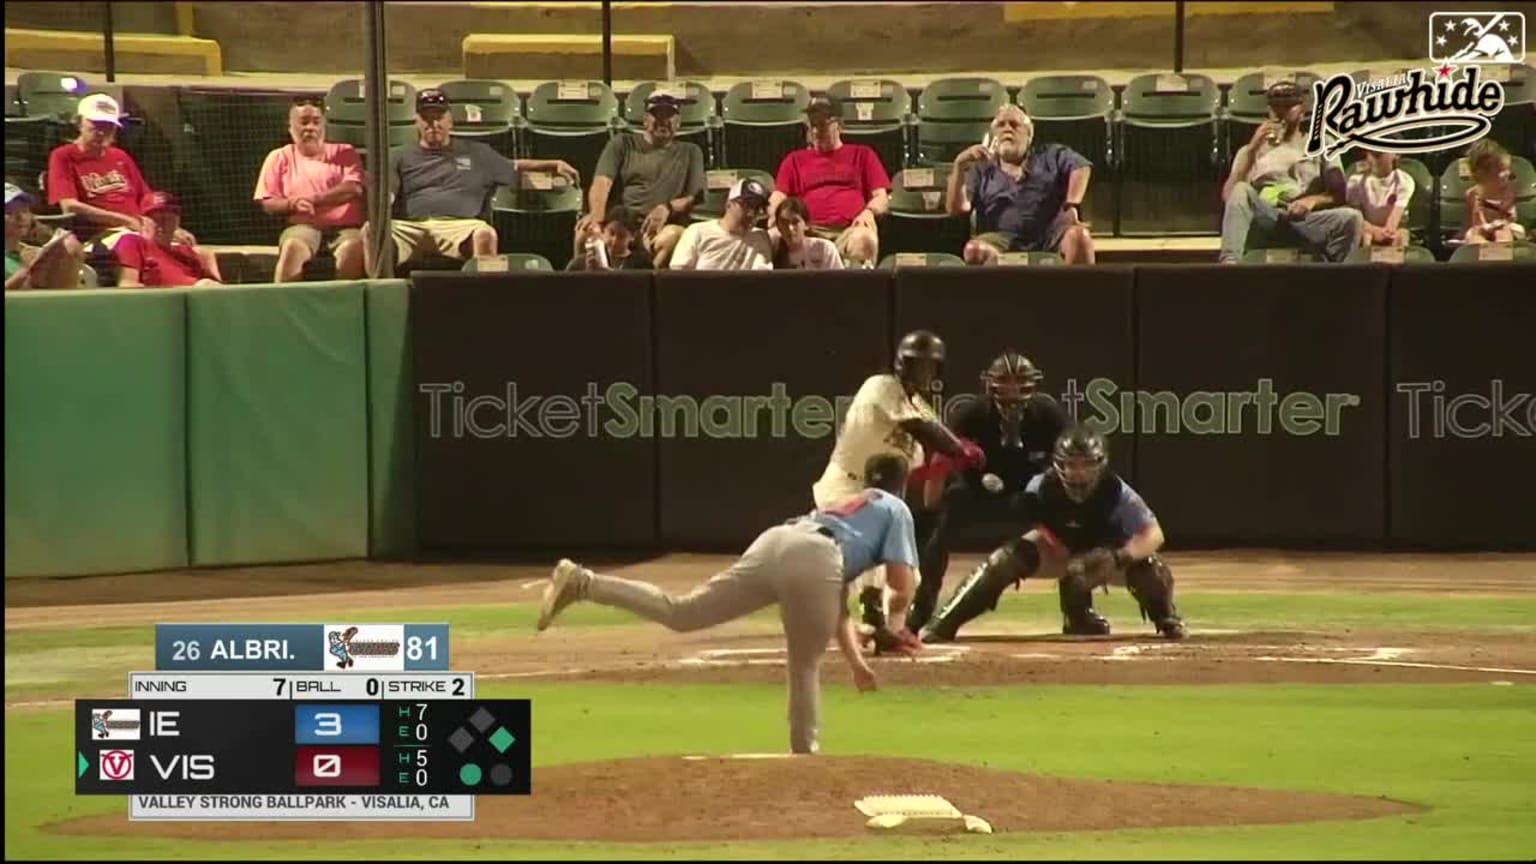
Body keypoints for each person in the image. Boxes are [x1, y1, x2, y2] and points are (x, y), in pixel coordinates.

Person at [537, 452, 924, 756]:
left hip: (777, 539)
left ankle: (584, 583)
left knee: (682, 612)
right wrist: (892, 624)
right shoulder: (896, 508)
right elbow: (900, 586)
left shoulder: (847, 505)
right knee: (804, 665)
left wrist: (857, 665)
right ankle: (805, 762)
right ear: (902, 485)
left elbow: (833, 599)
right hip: (817, 557)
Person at [920, 426, 1185, 644]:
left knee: (1149, 567)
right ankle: (944, 622)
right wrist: (1059, 549)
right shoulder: (1042, 487)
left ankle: (1165, 618)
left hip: (1102, 558)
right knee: (1004, 560)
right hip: (1058, 550)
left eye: (1086, 465)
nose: (1077, 472)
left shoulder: (1116, 491)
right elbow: (1034, 522)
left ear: (1100, 465)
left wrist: (1118, 557)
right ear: (1059, 465)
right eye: (1070, 465)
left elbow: (1153, 533)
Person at [811, 330, 985, 650]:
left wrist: (949, 462)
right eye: (915, 363)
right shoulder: (881, 386)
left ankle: (892, 631)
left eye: (927, 364)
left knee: (908, 579)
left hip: (880, 496)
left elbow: (923, 461)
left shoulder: (920, 406)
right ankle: (872, 622)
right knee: (872, 558)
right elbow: (925, 430)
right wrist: (958, 449)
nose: (920, 370)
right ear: (901, 362)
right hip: (845, 485)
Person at [905, 350, 1072, 633]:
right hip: (976, 491)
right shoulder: (971, 414)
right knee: (938, 530)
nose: (1013, 390)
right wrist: (932, 511)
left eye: (1020, 382)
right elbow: (941, 461)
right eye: (1006, 382)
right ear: (991, 383)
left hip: (1029, 495)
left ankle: (1077, 611)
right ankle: (921, 610)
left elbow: (1070, 459)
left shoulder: (1048, 414)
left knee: (1072, 525)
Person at [376, 88, 579, 271]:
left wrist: (552, 164)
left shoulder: (476, 152)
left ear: (450, 121)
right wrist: (383, 210)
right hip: (412, 226)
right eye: (427, 118)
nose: (433, 124)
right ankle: (381, 294)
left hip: (460, 226)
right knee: (371, 230)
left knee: (485, 234)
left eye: (439, 117)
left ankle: (483, 299)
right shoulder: (399, 155)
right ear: (417, 122)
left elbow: (514, 166)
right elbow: (389, 194)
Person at [46, 93, 213, 274]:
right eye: (96, 124)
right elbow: (69, 207)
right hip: (102, 236)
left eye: (108, 126)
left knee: (199, 253)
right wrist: (124, 220)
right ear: (79, 122)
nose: (102, 131)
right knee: (138, 245)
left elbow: (148, 200)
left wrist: (171, 227)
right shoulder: (63, 156)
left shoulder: (120, 156)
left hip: (138, 229)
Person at [1218, 80, 1361, 263]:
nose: (1281, 112)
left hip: (1305, 220)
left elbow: (1340, 194)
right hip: (1267, 217)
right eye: (1275, 107)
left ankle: (1335, 277)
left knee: (1351, 218)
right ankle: (1229, 264)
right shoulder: (1250, 150)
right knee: (1241, 189)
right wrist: (1253, 150)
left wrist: (1312, 200)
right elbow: (1230, 196)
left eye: (1288, 106)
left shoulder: (1320, 143)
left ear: (1302, 112)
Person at [947, 104, 1096, 265]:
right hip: (1000, 241)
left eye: (1014, 124)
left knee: (1080, 236)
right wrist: (959, 166)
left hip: (1050, 236)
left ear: (1029, 135)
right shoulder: (981, 167)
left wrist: (1071, 204)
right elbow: (957, 209)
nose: (1007, 129)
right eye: (1001, 125)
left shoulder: (1050, 155)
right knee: (974, 250)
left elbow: (1081, 167)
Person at [578, 92, 706, 269]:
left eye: (669, 116)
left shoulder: (691, 151)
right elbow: (602, 182)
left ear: (678, 123)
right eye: (657, 116)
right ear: (645, 120)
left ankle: (647, 282)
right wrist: (597, 221)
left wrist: (667, 207)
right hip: (622, 223)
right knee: (584, 234)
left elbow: (694, 196)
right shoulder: (622, 143)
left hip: (660, 227)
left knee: (672, 237)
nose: (664, 121)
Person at [767, 95, 890, 268]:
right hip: (807, 231)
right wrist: (774, 214)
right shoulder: (794, 160)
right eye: (812, 125)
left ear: (839, 125)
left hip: (849, 229)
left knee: (864, 238)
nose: (816, 131)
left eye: (822, 125)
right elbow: (779, 195)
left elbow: (881, 197)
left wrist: (869, 211)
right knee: (771, 237)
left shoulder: (862, 154)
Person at [254, 95, 367, 282]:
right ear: (290, 127)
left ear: (323, 125)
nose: (310, 128)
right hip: (303, 226)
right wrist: (293, 204)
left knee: (353, 247)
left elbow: (353, 188)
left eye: (316, 122)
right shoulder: (278, 157)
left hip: (345, 228)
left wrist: (313, 200)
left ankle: (347, 308)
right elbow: (268, 202)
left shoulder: (345, 152)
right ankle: (282, 306)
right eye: (303, 122)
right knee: (292, 247)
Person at [114, 192, 222, 288]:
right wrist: (191, 289)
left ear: (177, 222)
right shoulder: (133, 242)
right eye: (156, 219)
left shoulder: (186, 253)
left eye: (168, 219)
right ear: (143, 221)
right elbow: (127, 285)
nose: (162, 224)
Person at [667, 177, 775, 270]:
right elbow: (679, 276)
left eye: (756, 208)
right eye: (746, 205)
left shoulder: (760, 238)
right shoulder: (698, 232)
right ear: (729, 204)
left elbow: (761, 278)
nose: (751, 213)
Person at [6, 182, 88, 291]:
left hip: (47, 303)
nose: (21, 217)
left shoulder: (30, 253)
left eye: (24, 211)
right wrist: (23, 274)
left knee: (69, 245)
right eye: (9, 212)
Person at [1461, 139, 1526, 245]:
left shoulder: (1508, 192)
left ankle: (1499, 257)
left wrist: (1499, 223)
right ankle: (1486, 257)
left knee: (1504, 232)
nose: (1507, 174)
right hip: (1483, 230)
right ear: (1482, 174)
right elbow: (1471, 223)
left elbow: (1512, 217)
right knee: (1472, 234)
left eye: (1507, 169)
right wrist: (1484, 227)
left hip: (1505, 229)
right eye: (1501, 170)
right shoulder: (1472, 195)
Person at [1346, 149, 1414, 248]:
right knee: (1365, 235)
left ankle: (1395, 261)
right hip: (1366, 228)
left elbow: (1393, 221)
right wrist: (1373, 231)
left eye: (1379, 153)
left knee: (1401, 236)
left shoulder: (1404, 181)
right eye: (1371, 152)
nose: (1374, 158)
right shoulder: (1355, 182)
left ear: (1396, 154)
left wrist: (1387, 233)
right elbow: (1357, 217)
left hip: (1393, 231)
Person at [771, 196, 844, 269]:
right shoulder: (772, 252)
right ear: (778, 226)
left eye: (795, 222)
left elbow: (839, 279)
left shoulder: (824, 249)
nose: (790, 228)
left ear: (806, 224)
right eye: (784, 223)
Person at [567, 206, 646, 271]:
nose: (615, 240)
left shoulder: (641, 264)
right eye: (611, 233)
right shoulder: (583, 261)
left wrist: (604, 271)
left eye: (622, 236)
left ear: (632, 237)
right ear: (603, 230)